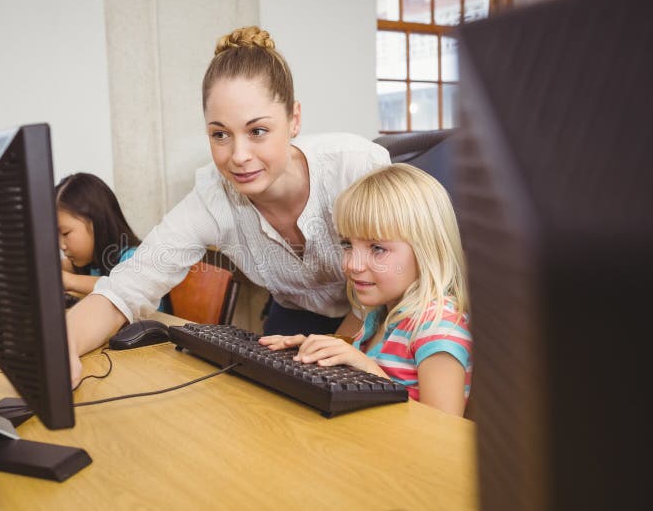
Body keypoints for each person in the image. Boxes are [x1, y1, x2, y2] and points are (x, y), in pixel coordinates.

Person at [65, 26, 391, 386]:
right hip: (296, 320)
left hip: (380, 317)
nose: (238, 157)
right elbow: (128, 285)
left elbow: (410, 272)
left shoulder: (355, 167)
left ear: (294, 119)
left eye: (257, 131)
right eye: (220, 134)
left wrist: (343, 344)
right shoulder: (214, 197)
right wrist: (62, 348)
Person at [259, 164, 472, 416]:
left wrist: (367, 370)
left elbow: (443, 434)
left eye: (377, 249)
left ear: (428, 249)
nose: (352, 265)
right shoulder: (377, 314)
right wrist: (314, 353)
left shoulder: (438, 327)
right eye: (347, 244)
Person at [55, 172, 142, 295]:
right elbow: (52, 269)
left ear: (97, 223)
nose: (61, 245)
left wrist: (70, 280)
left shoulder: (132, 257)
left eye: (65, 233)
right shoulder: (90, 260)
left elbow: (123, 288)